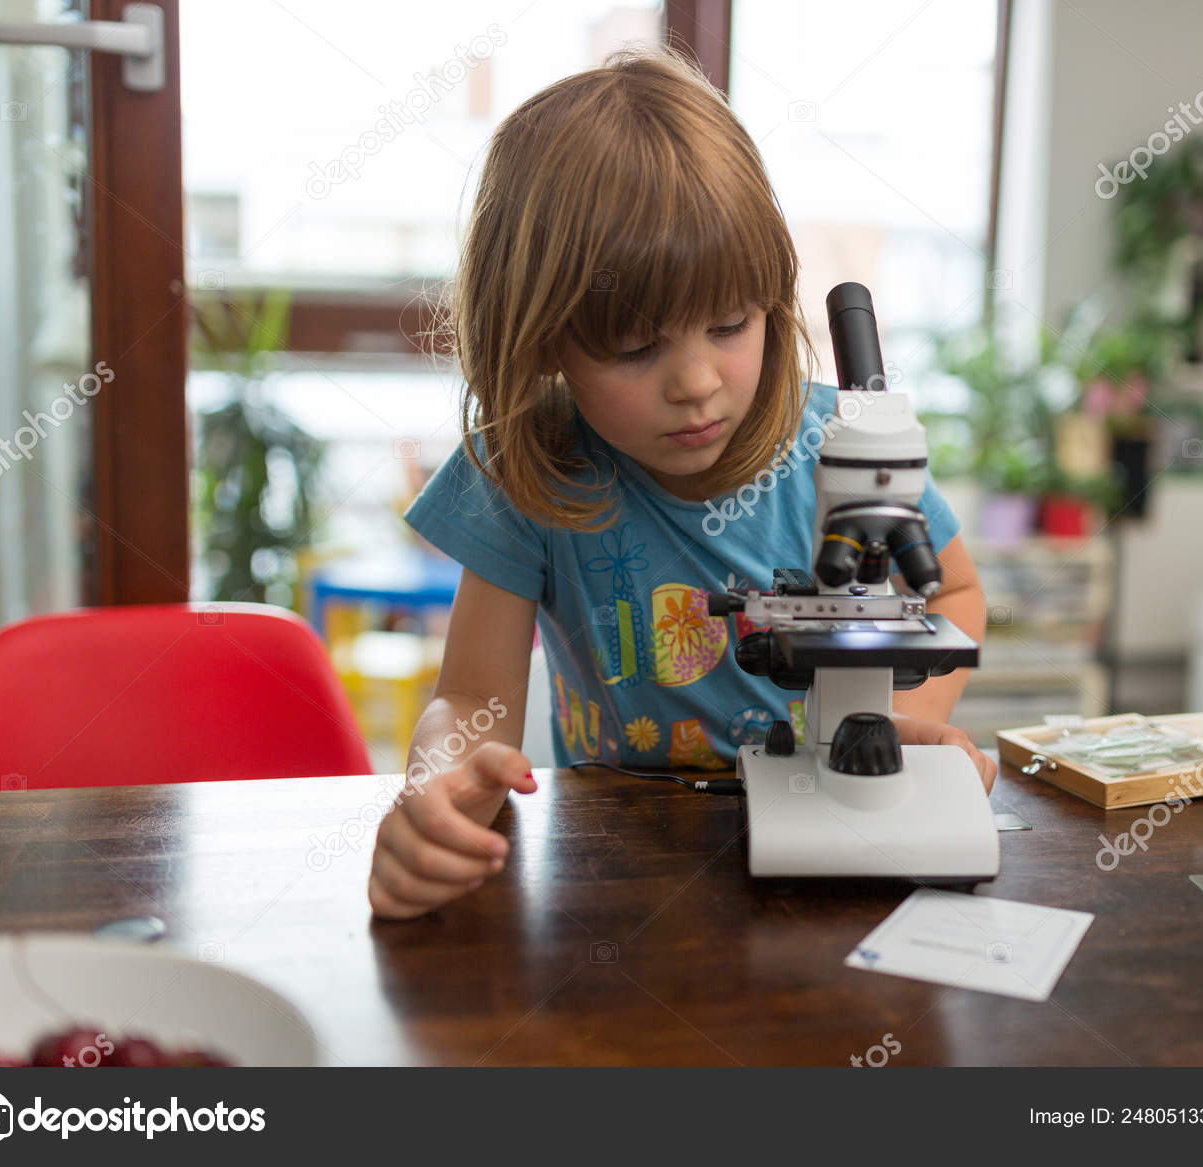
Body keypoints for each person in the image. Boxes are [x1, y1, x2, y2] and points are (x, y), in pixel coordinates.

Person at [368, 48, 995, 920]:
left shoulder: (840, 440)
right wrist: (438, 786)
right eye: (634, 347)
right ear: (543, 339)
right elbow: (472, 699)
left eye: (730, 323)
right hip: (620, 872)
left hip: (827, 858)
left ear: (774, 299)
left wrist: (905, 722)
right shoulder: (528, 472)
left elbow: (954, 591)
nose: (696, 381)